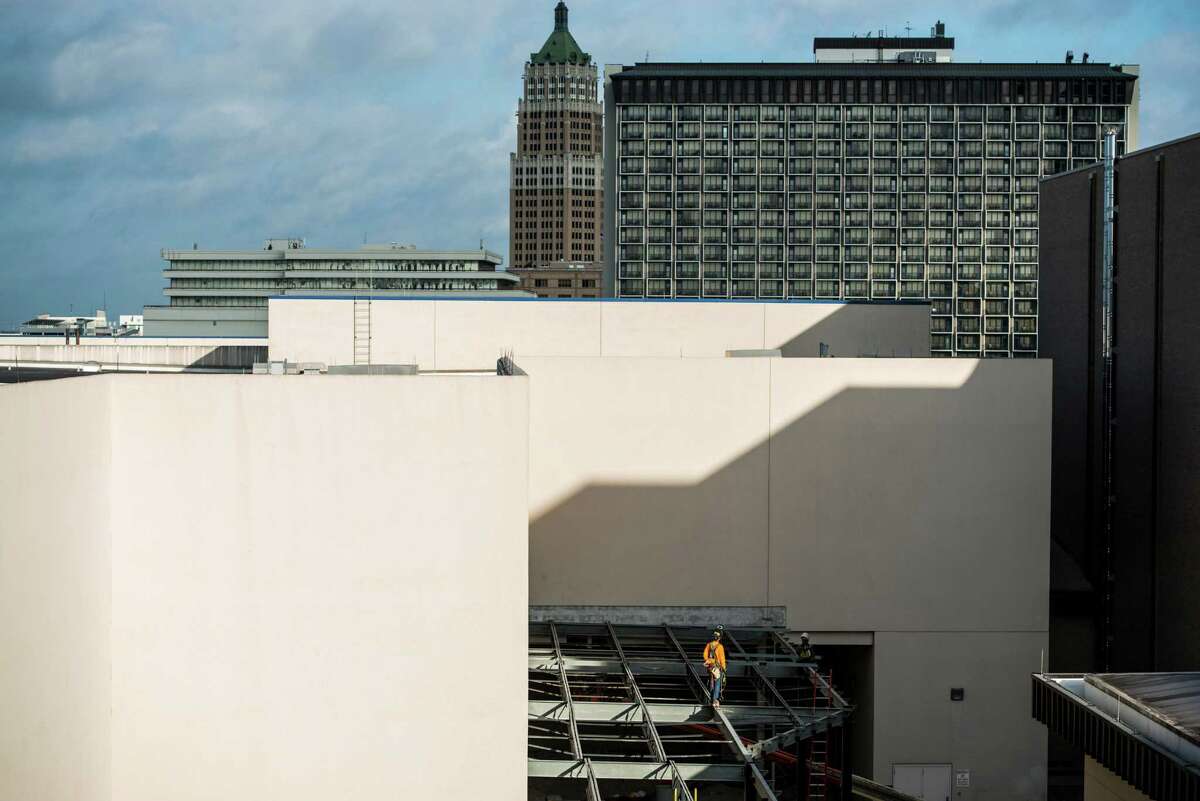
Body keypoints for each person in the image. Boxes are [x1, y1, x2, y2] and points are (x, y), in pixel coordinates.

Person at [702, 625, 727, 708]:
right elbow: (722, 659)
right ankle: (715, 700)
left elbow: (705, 655)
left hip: (710, 667)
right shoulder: (720, 647)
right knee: (717, 683)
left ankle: (711, 699)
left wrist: (709, 661)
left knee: (711, 682)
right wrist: (723, 668)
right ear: (720, 638)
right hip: (717, 668)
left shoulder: (709, 645)